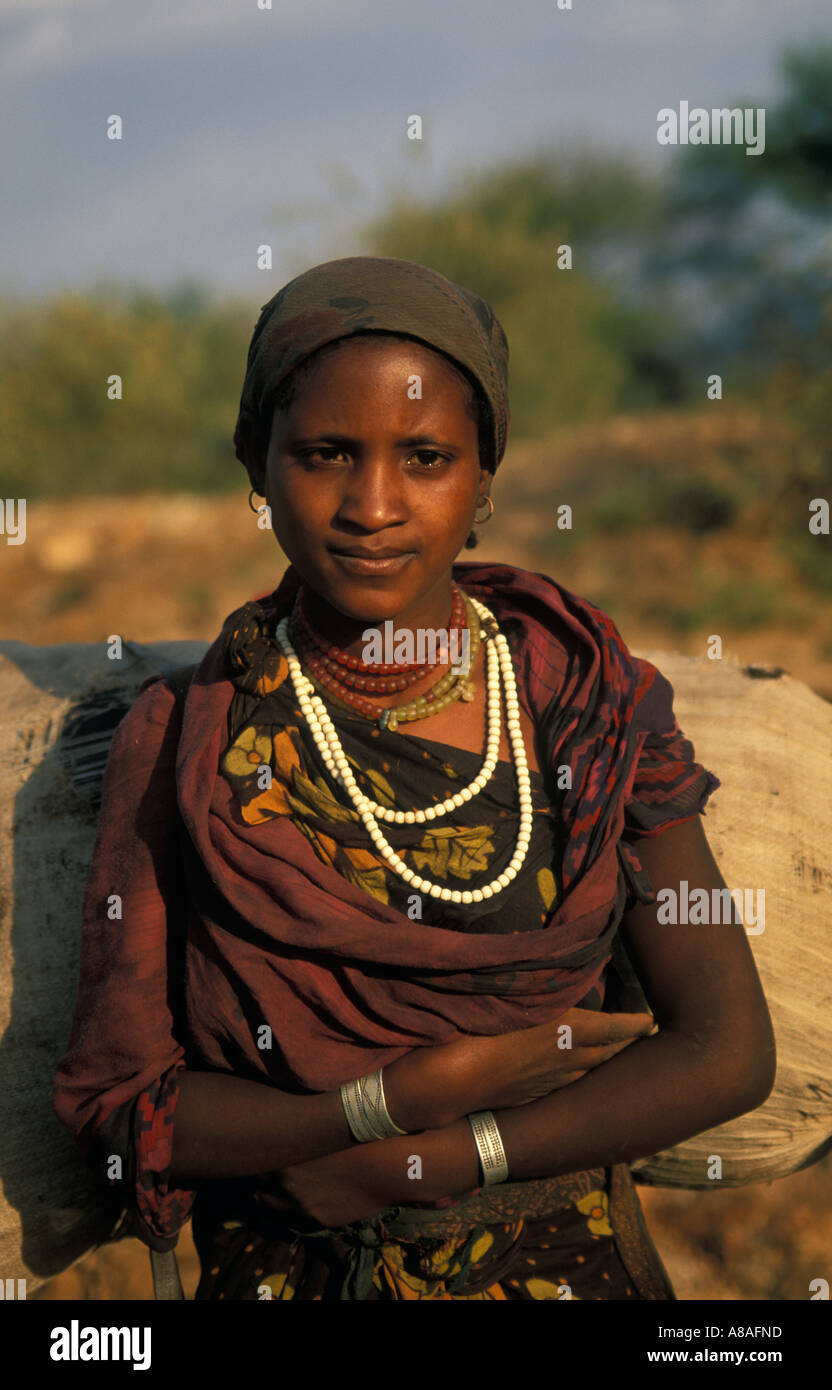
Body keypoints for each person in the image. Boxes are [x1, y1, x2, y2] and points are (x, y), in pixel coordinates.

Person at [53, 256, 776, 1301]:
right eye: (324, 454)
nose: (372, 504)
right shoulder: (191, 742)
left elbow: (723, 1048)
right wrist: (387, 1101)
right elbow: (121, 1109)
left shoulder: (580, 701)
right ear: (257, 469)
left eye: (426, 456)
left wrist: (439, 1152)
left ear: (484, 482)